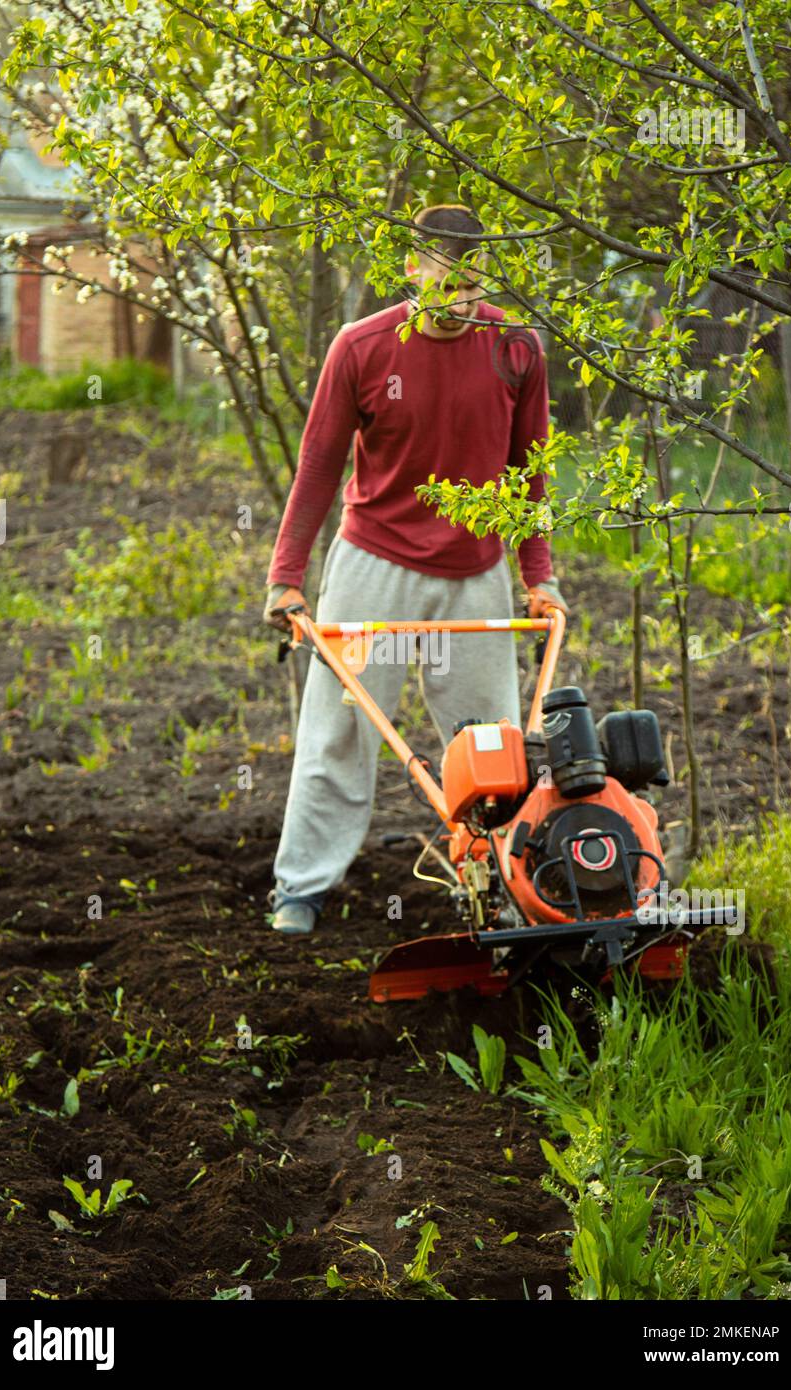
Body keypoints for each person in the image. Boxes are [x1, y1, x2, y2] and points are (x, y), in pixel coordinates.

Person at [263, 204, 567, 935]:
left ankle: (504, 887)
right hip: (374, 567)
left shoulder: (515, 349)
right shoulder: (362, 348)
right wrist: (286, 574)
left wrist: (541, 575)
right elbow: (318, 467)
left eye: (473, 286)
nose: (461, 303)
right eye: (446, 282)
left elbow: (531, 474)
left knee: (490, 740)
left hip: (476, 570)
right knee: (338, 732)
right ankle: (300, 889)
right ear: (414, 269)